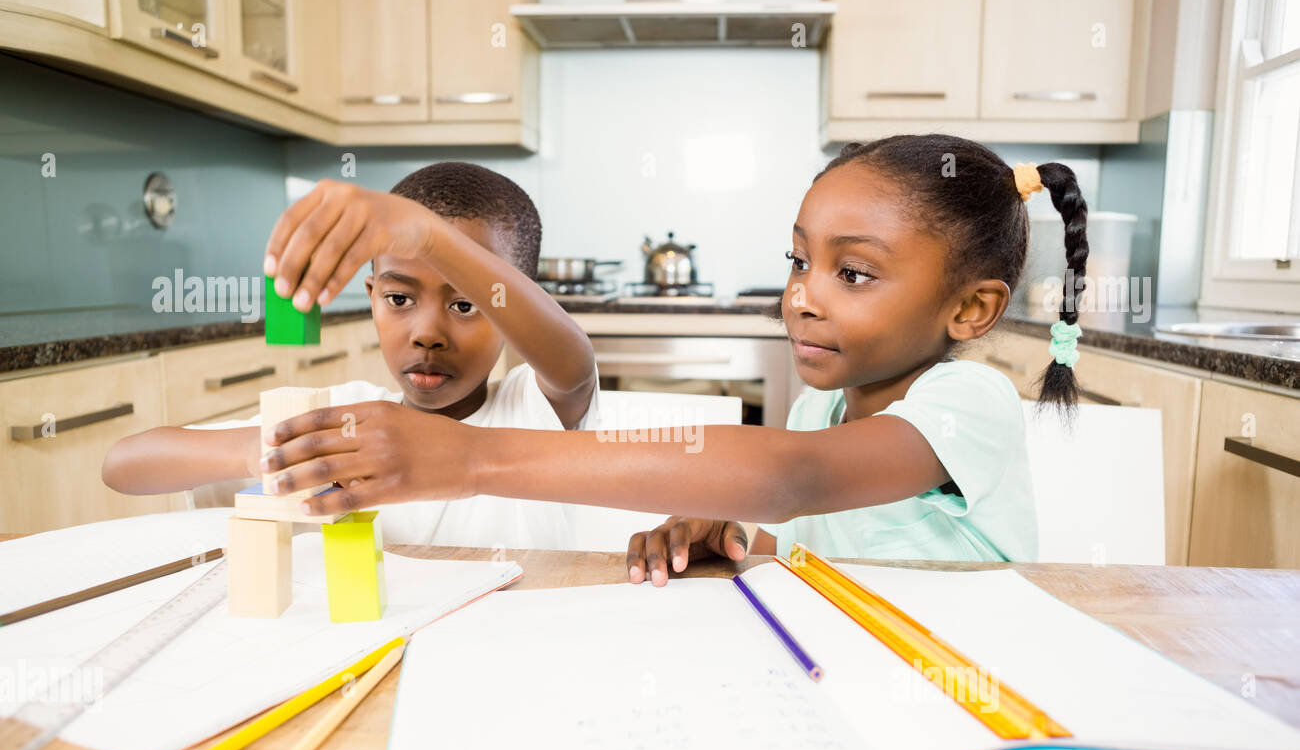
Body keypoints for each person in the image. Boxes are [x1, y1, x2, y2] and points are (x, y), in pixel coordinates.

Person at [256, 136, 1089, 583]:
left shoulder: (969, 400)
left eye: (853, 273)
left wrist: (472, 456)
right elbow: (831, 545)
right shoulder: (821, 411)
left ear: (972, 308)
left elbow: (795, 477)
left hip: (973, 683)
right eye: (799, 261)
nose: (802, 295)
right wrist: (736, 538)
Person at [102, 162, 600, 548]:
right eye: (399, 300)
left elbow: (572, 364)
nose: (427, 333)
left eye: (465, 303)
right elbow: (123, 465)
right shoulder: (341, 415)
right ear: (371, 295)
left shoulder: (536, 411)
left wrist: (428, 235)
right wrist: (268, 451)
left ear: (512, 305)